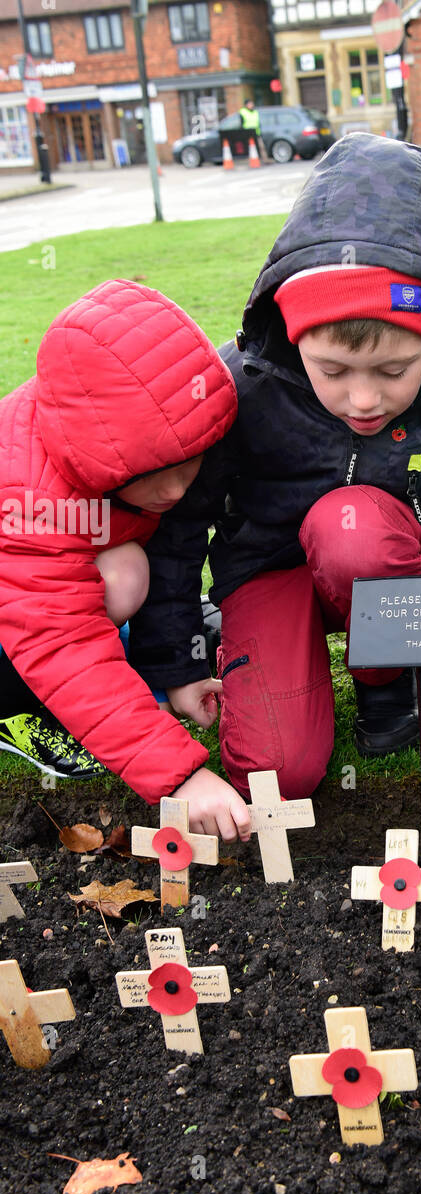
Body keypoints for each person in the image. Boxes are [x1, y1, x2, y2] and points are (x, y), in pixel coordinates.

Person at [129, 133, 421, 811]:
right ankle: (247, 644)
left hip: (403, 579)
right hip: (273, 572)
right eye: (333, 371)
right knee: (278, 777)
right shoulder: (238, 387)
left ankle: (386, 687)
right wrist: (176, 665)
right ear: (294, 338)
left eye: (392, 371)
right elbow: (176, 530)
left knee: (352, 525)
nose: (362, 400)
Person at [0, 279, 253, 842]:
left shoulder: (115, 430)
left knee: (129, 571)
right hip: (21, 624)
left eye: (189, 468)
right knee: (118, 581)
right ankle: (18, 711)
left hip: (41, 594)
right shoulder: (31, 499)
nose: (178, 492)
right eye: (155, 479)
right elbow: (63, 645)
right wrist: (180, 775)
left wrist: (178, 673)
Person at [238, 97, 266, 161]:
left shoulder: (255, 112)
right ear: (246, 105)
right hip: (248, 133)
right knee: (250, 148)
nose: (251, 105)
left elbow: (258, 122)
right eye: (250, 104)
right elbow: (241, 124)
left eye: (252, 103)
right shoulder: (243, 112)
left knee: (261, 147)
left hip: (256, 132)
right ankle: (251, 161)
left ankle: (264, 160)